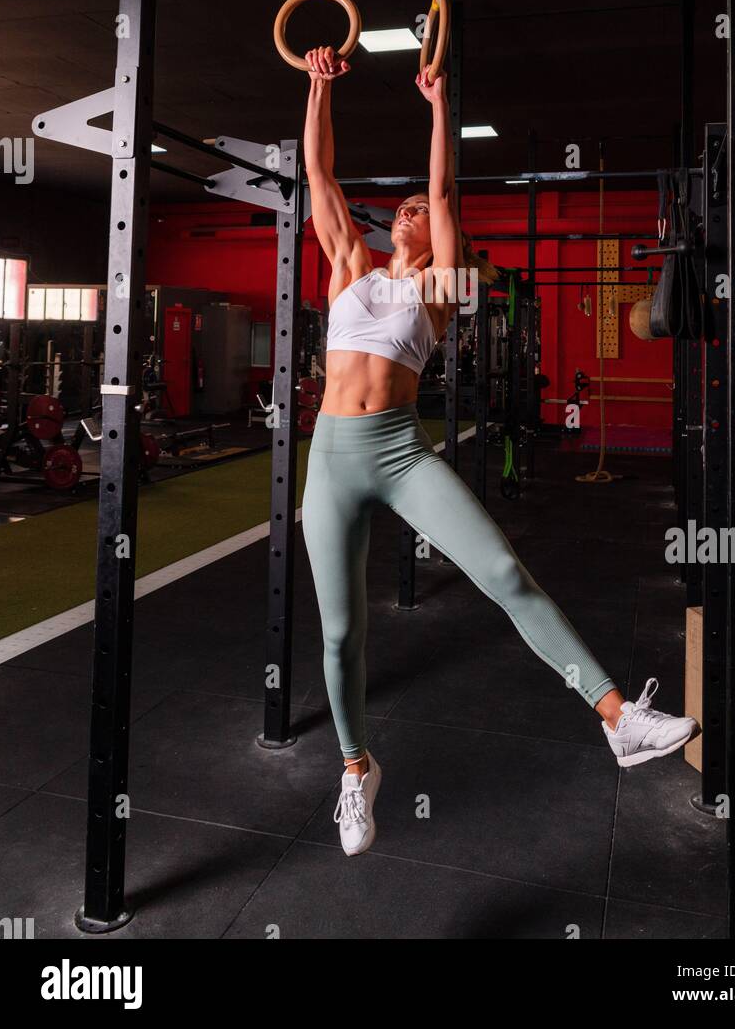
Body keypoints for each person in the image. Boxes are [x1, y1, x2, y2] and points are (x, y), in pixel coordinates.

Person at [300, 45, 700, 857]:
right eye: (403, 207)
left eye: (419, 206)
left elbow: (445, 189)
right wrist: (317, 87)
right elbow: (320, 176)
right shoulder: (351, 268)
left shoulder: (438, 289)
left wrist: (439, 104)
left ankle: (618, 716)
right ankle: (354, 770)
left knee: (505, 574)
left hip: (399, 452)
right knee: (340, 636)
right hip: (332, 461)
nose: (410, 209)